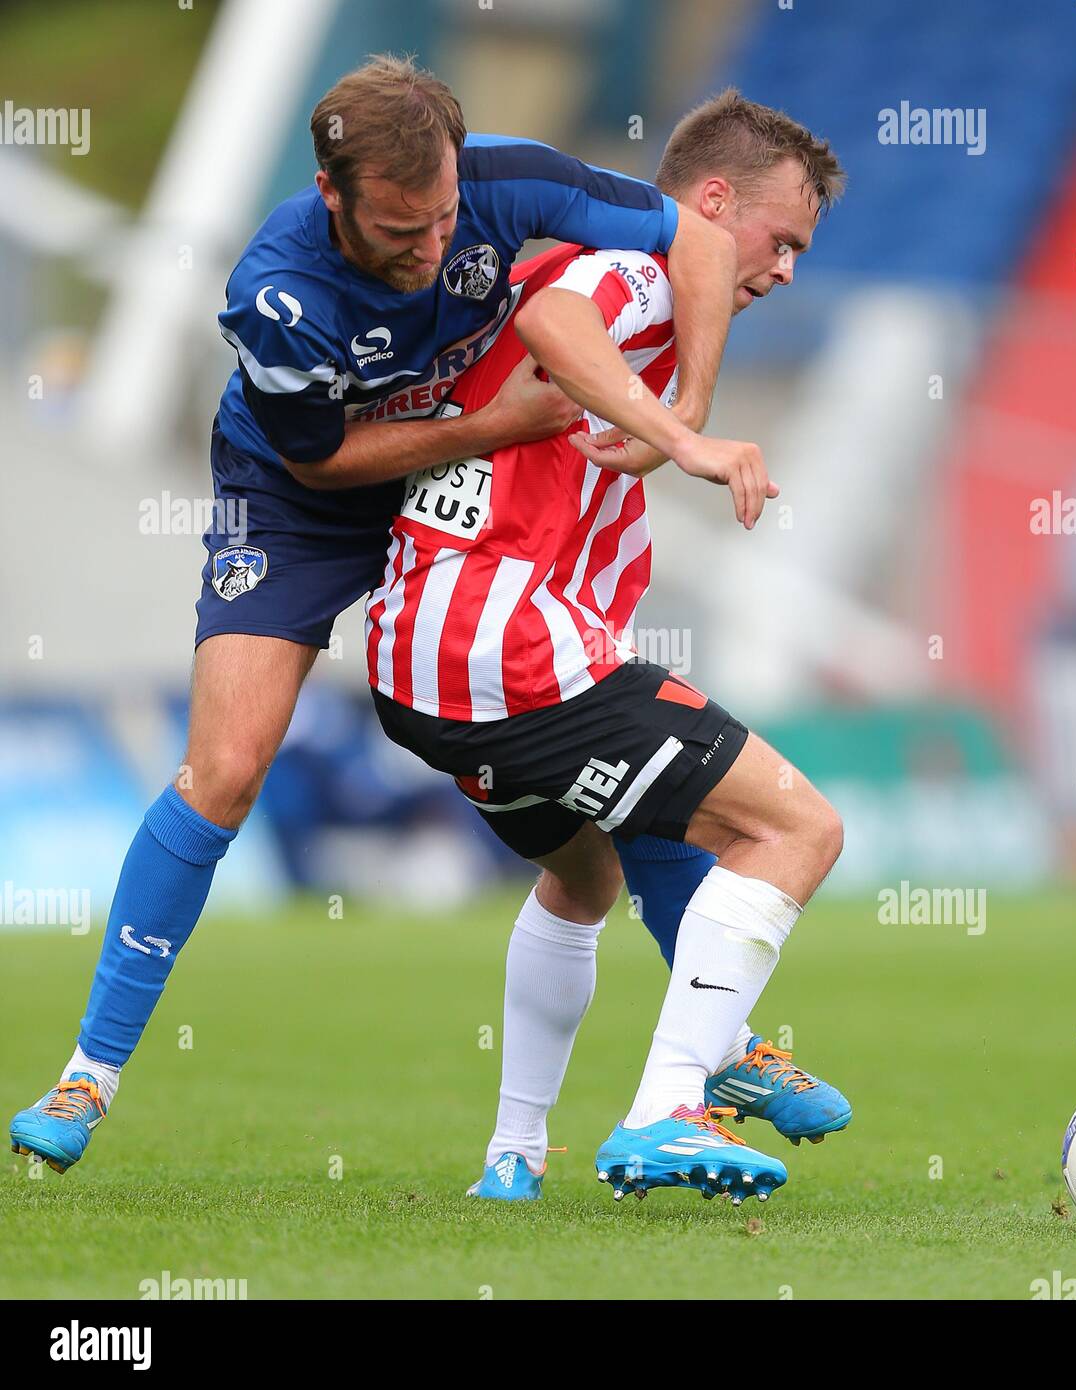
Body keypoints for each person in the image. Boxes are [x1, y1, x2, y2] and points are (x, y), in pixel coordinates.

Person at [9, 55, 745, 1175]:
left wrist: (683, 413)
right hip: (306, 499)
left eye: (444, 218)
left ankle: (726, 1045)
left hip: (471, 464)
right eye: (399, 231)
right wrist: (494, 426)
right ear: (330, 192)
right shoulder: (276, 291)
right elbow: (322, 460)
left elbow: (699, 239)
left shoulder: (510, 184)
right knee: (226, 768)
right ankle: (90, 1072)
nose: (430, 249)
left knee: (600, 727)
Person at [367, 90, 847, 1205]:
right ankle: (672, 1104)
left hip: (427, 660)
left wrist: (661, 414)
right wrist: (683, 432)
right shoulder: (628, 262)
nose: (782, 272)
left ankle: (514, 1155)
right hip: (501, 642)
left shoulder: (629, 362)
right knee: (796, 826)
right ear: (711, 204)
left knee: (586, 873)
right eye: (780, 242)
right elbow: (558, 316)